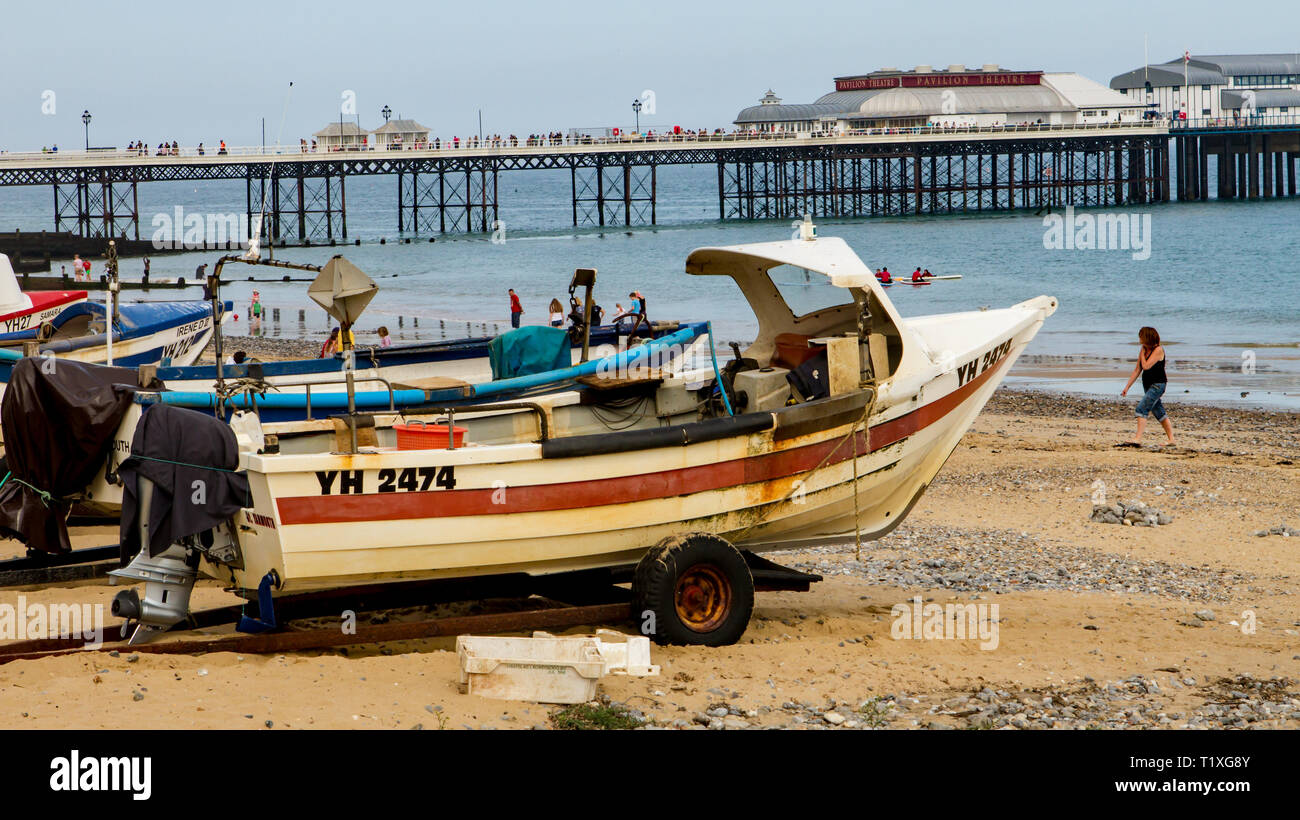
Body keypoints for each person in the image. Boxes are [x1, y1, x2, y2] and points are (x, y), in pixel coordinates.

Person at [1121, 326, 1175, 446]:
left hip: (1158, 385)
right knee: (1158, 411)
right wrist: (1127, 387)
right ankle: (1171, 440)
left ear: (1147, 337)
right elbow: (1137, 370)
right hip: (1148, 385)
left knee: (1141, 408)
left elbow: (1146, 366)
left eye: (1141, 337)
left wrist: (1141, 355)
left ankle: (1138, 438)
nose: (1139, 340)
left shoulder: (1158, 350)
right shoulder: (1144, 349)